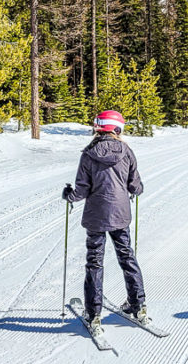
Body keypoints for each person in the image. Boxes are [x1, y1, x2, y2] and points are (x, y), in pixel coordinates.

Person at [63, 109, 146, 332]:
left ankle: (93, 313)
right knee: (127, 256)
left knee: (94, 262)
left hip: (96, 216)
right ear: (116, 128)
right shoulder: (127, 151)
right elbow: (134, 185)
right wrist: (137, 189)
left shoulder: (88, 153)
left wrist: (68, 195)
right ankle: (138, 305)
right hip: (120, 215)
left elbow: (81, 190)